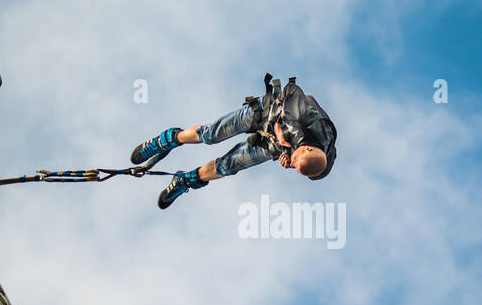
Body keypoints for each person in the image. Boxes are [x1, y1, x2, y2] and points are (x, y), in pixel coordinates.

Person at [131, 75, 337, 209]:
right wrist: (280, 133)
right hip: (264, 114)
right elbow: (291, 90)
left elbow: (306, 165)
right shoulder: (307, 116)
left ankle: (184, 181)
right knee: (211, 134)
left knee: (228, 166)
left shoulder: (320, 163)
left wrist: (289, 159)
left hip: (272, 144)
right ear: (308, 147)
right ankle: (167, 140)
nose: (293, 160)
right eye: (296, 157)